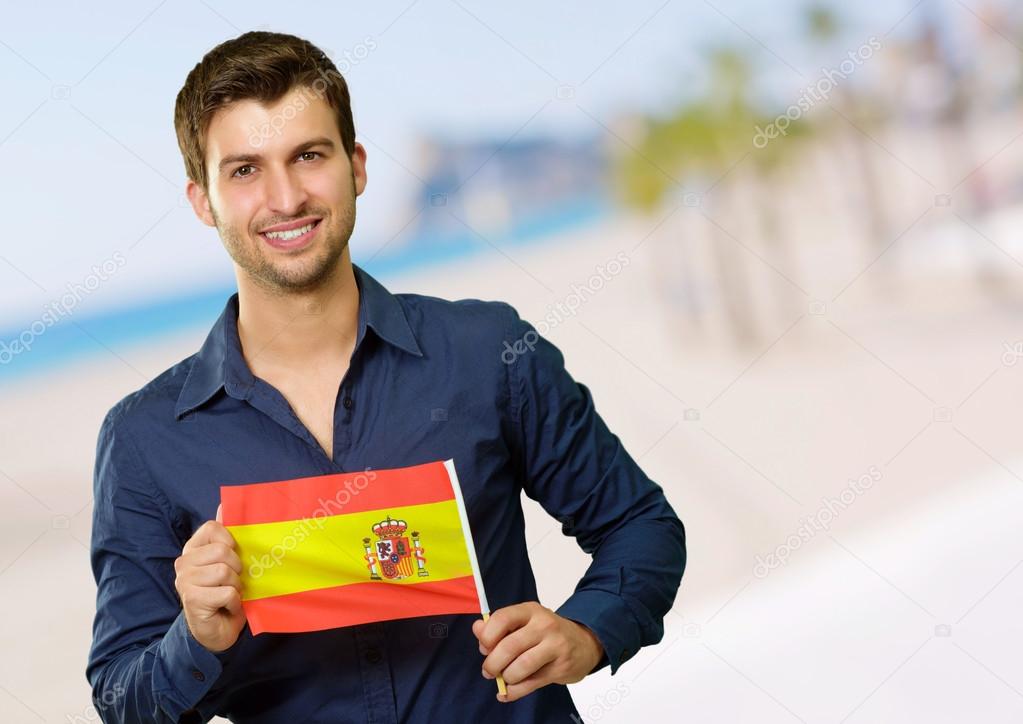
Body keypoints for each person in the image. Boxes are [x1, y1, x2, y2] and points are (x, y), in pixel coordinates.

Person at [86, 31, 686, 723]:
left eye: (307, 156)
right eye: (245, 170)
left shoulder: (488, 351)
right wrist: (193, 636)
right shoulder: (144, 438)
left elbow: (640, 524)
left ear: (356, 166)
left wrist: (586, 631)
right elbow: (121, 699)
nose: (284, 198)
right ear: (203, 201)